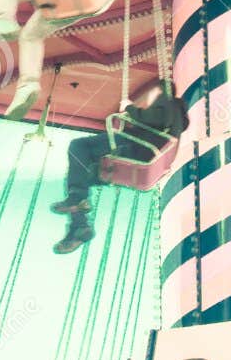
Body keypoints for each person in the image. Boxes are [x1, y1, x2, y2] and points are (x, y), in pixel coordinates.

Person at [54, 78, 189, 254]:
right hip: (144, 154)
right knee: (83, 175)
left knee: (78, 146)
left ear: (159, 91)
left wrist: (129, 108)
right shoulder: (177, 117)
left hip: (135, 147)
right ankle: (79, 227)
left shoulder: (168, 103)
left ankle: (76, 200)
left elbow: (153, 119)